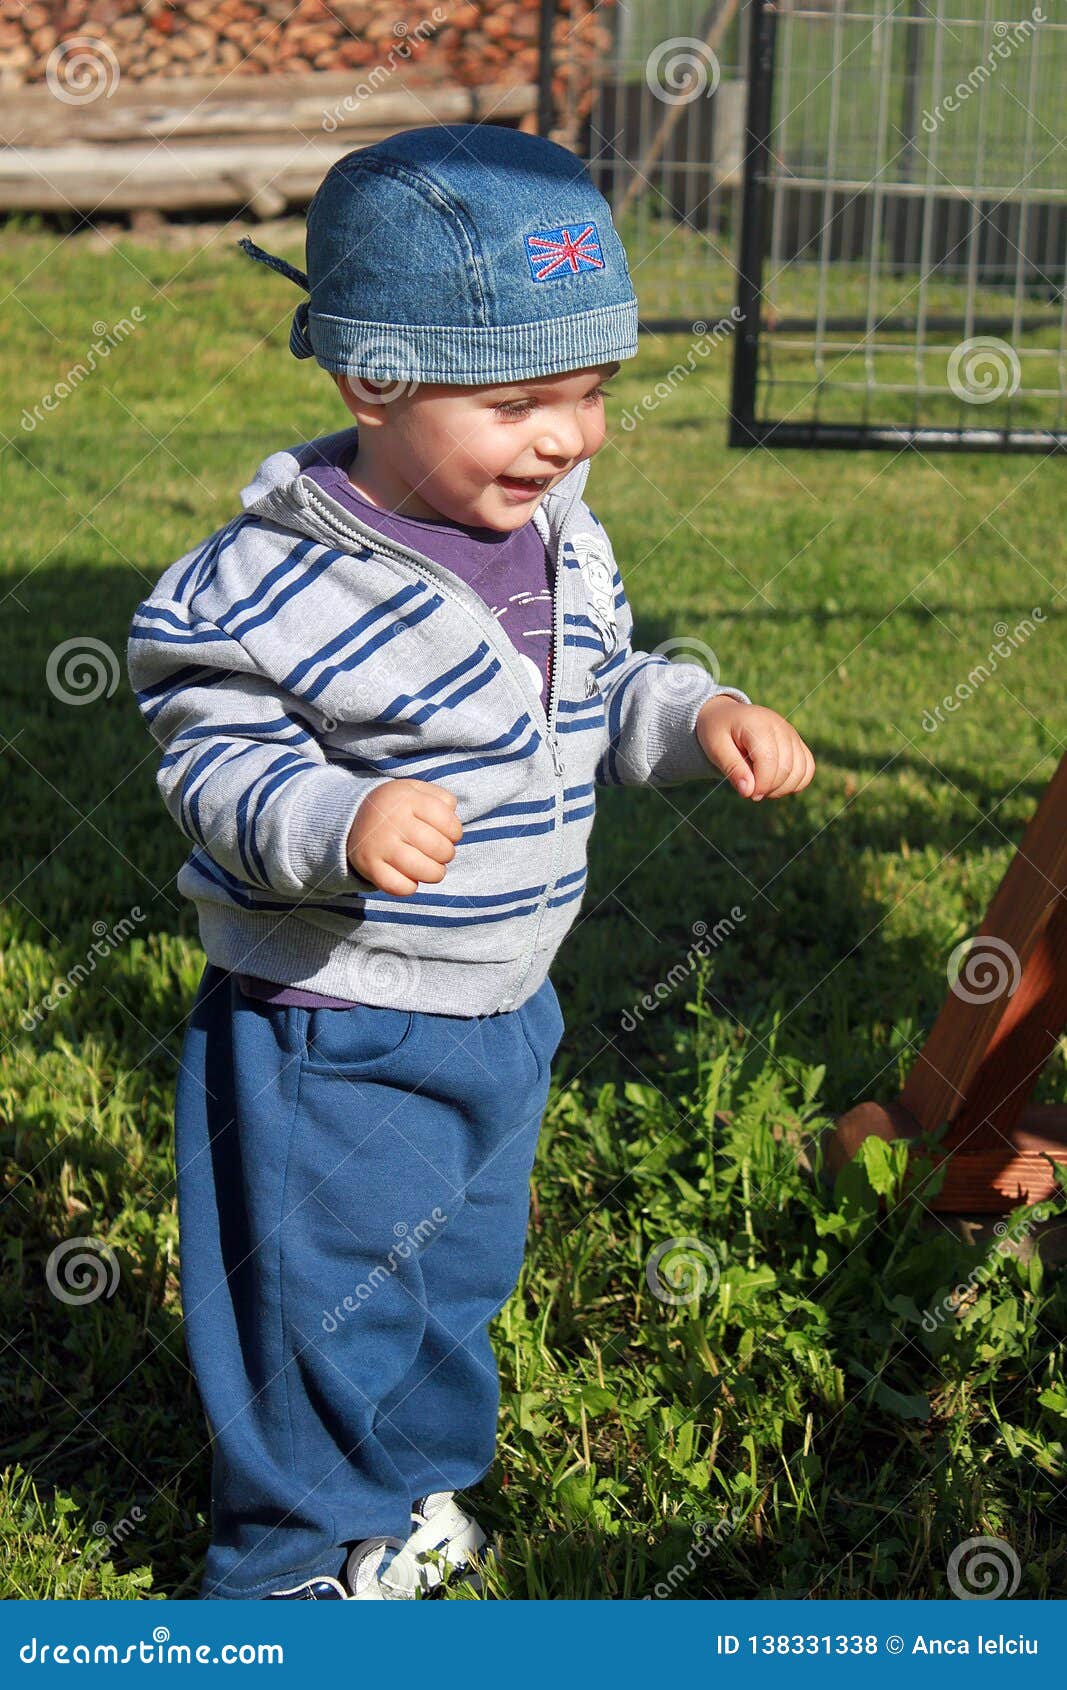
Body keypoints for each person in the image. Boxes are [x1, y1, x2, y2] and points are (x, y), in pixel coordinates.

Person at [125, 121, 815, 1602]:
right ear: (370, 380)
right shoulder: (270, 580)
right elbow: (211, 758)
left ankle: (403, 1490)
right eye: (519, 401)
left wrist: (704, 715)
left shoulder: (562, 538)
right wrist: (333, 823)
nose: (569, 437)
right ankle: (292, 1564)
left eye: (594, 392)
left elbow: (605, 690)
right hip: (334, 1009)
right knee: (322, 1299)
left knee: (451, 1267)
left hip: (506, 997)